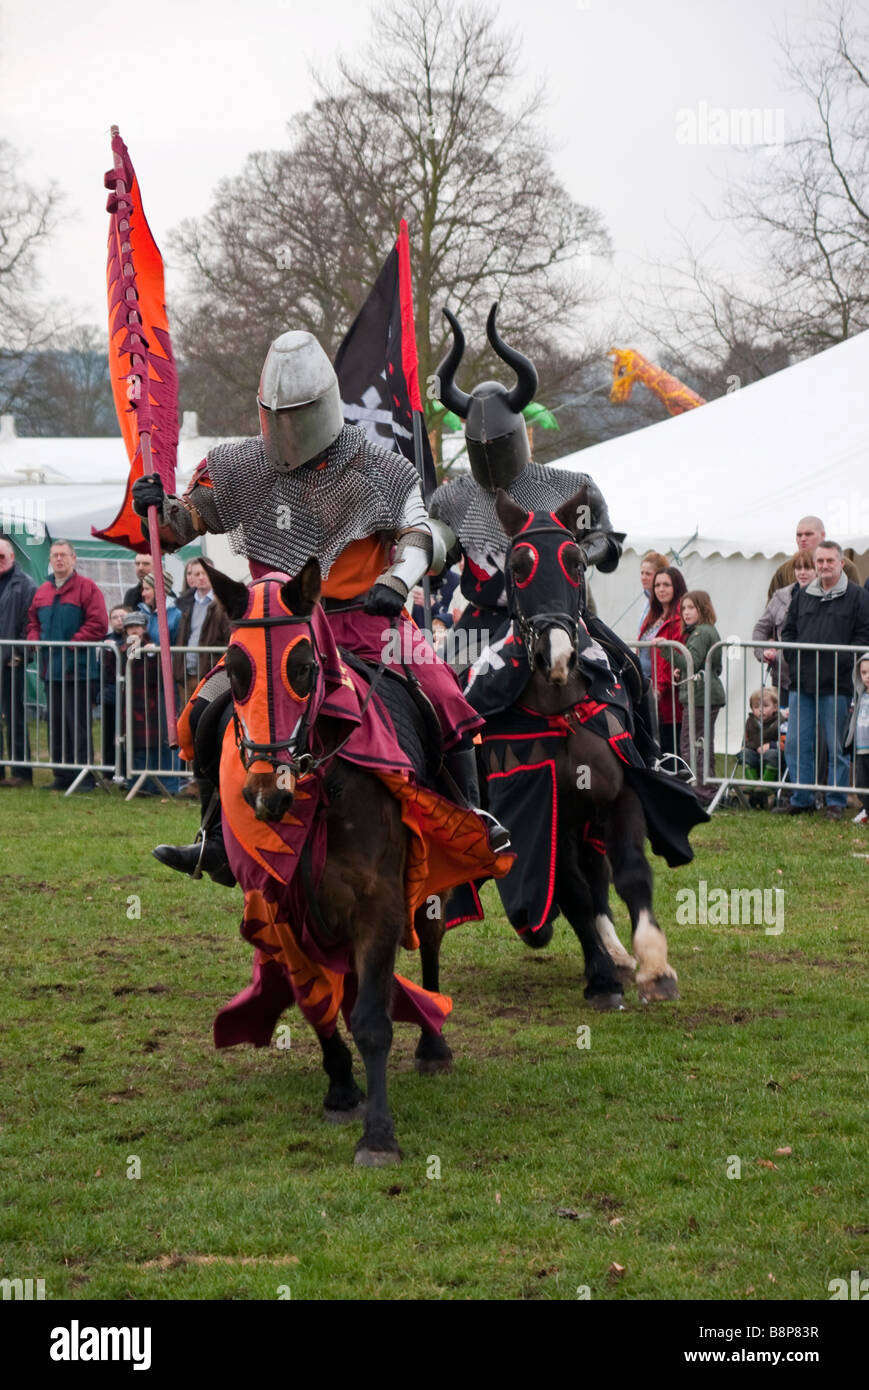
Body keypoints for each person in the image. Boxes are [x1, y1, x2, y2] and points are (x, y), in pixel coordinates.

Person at [131, 328, 508, 882]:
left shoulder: (378, 466)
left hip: (368, 621)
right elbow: (182, 522)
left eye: (297, 414)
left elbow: (418, 534)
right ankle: (214, 833)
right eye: (276, 415)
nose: (285, 428)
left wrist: (397, 585)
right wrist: (154, 507)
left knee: (445, 695)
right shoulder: (242, 467)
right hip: (276, 627)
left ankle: (471, 812)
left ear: (324, 406)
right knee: (209, 709)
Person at [427, 303, 659, 765]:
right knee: (430, 691)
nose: (491, 455)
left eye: (498, 445)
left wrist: (573, 552)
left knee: (631, 672)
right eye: (481, 449)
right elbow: (439, 559)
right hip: (480, 622)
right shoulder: (452, 499)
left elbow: (609, 543)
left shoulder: (569, 487)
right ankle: (440, 782)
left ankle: (653, 766)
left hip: (558, 615)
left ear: (518, 433)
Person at [776, 541, 869, 818]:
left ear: (841, 563)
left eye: (830, 561)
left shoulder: (857, 597)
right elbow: (788, 631)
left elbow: (864, 634)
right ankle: (801, 798)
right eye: (820, 561)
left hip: (838, 686)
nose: (824, 566)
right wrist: (795, 660)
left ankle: (836, 802)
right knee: (796, 743)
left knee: (836, 747)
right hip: (802, 683)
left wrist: (844, 664)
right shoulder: (803, 595)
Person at [26, 539, 108, 792]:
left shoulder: (87, 588)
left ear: (74, 559)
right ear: (50, 560)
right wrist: (34, 640)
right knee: (56, 725)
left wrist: (73, 644)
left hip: (79, 671)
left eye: (63, 555)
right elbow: (33, 622)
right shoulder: (43, 591)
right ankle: (61, 776)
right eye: (55, 555)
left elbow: (98, 623)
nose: (59, 559)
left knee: (78, 726)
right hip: (51, 670)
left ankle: (83, 777)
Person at [671, 590, 725, 803]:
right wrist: (683, 670)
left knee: (692, 744)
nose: (686, 612)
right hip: (706, 694)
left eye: (691, 607)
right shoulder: (706, 631)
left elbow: (690, 660)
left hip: (701, 697)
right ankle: (706, 787)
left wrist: (667, 650)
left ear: (703, 609)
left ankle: (701, 791)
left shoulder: (701, 633)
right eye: (684, 608)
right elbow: (709, 665)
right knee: (702, 743)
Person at [120, 612, 180, 795]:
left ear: (144, 628)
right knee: (135, 745)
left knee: (152, 745)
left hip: (150, 704)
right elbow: (123, 669)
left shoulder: (151, 648)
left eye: (137, 627)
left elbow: (155, 676)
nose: (134, 630)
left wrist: (151, 655)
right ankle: (136, 784)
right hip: (131, 703)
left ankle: (152, 785)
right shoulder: (125, 648)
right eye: (130, 627)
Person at [753, 550, 816, 706]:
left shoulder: (826, 596)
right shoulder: (780, 596)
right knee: (783, 727)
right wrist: (763, 652)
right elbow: (761, 628)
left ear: (817, 570)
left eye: (807, 568)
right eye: (798, 568)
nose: (802, 572)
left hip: (816, 678)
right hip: (783, 679)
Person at [639, 566, 686, 763]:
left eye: (666, 584)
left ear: (676, 587)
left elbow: (673, 656)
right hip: (647, 688)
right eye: (657, 585)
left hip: (667, 697)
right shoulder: (651, 617)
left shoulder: (679, 620)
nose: (661, 589)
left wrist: (660, 688)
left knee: (669, 747)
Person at [0, 535, 36, 787]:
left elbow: (30, 623)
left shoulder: (25, 585)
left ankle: (22, 772)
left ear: (12, 558)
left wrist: (21, 653)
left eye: (2, 556)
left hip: (11, 661)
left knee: (15, 717)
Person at [173, 559, 231, 705]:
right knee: (185, 721)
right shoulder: (185, 603)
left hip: (209, 674)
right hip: (187, 674)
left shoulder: (222, 603)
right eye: (197, 574)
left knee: (205, 719)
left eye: (205, 573)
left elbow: (228, 638)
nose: (201, 577)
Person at [767, 517, 859, 600]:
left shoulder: (844, 567)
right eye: (799, 535)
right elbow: (771, 609)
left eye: (808, 534)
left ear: (822, 535)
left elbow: (855, 603)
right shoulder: (784, 570)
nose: (802, 539)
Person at [99, 604, 128, 770]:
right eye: (115, 617)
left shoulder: (132, 639)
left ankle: (124, 769)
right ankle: (108, 770)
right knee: (109, 733)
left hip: (127, 695)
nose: (119, 620)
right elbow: (100, 666)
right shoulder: (106, 640)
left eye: (122, 616)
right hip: (109, 692)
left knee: (124, 734)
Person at [741, 688, 782, 803]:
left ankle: (766, 784)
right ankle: (752, 784)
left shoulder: (780, 721)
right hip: (755, 753)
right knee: (745, 754)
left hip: (773, 755)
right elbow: (747, 739)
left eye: (765, 706)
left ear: (775, 707)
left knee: (772, 754)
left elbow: (785, 742)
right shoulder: (750, 721)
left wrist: (771, 745)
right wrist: (745, 747)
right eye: (756, 707)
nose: (760, 710)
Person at [637, 551, 669, 680]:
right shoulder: (647, 602)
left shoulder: (665, 603)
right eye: (642, 573)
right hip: (644, 674)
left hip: (658, 676)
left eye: (648, 574)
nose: (643, 577)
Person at [845, 653, 869, 820]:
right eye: (864, 672)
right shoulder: (859, 695)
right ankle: (866, 809)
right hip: (861, 748)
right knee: (861, 782)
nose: (867, 677)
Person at [137, 572, 181, 646]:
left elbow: (179, 646)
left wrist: (156, 649)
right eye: (143, 589)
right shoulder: (143, 612)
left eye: (147, 589)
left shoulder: (177, 616)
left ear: (159, 591)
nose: (143, 593)